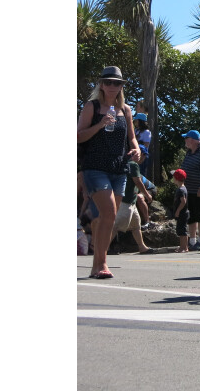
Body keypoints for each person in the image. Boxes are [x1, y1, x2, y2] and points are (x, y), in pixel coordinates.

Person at [77, 66, 143, 279]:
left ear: (122, 86)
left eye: (117, 83)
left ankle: (96, 266)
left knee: (107, 217)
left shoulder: (126, 109)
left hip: (118, 168)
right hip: (95, 167)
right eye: (108, 82)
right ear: (101, 85)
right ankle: (102, 264)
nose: (112, 86)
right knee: (109, 213)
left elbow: (131, 137)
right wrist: (100, 125)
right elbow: (78, 136)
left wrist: (137, 149)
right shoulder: (92, 107)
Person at [180, 130, 200, 251]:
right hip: (189, 190)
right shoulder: (189, 153)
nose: (185, 141)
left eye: (186, 138)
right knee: (191, 216)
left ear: (193, 140)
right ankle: (192, 242)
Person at [114, 162, 155, 255]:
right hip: (125, 202)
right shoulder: (133, 165)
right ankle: (102, 248)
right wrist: (147, 194)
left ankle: (142, 247)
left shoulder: (124, 163)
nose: (140, 156)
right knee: (116, 226)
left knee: (136, 226)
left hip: (131, 202)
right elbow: (137, 181)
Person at [125, 158, 158, 240]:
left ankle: (147, 222)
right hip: (139, 190)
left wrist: (147, 195)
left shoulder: (134, 169)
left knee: (139, 197)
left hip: (150, 189)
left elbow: (139, 185)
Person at [171, 169, 190, 253]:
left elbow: (183, 201)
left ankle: (184, 247)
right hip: (184, 213)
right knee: (181, 230)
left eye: (173, 177)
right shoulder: (182, 188)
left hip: (182, 213)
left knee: (182, 231)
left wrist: (178, 210)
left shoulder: (181, 190)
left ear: (176, 178)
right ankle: (183, 246)